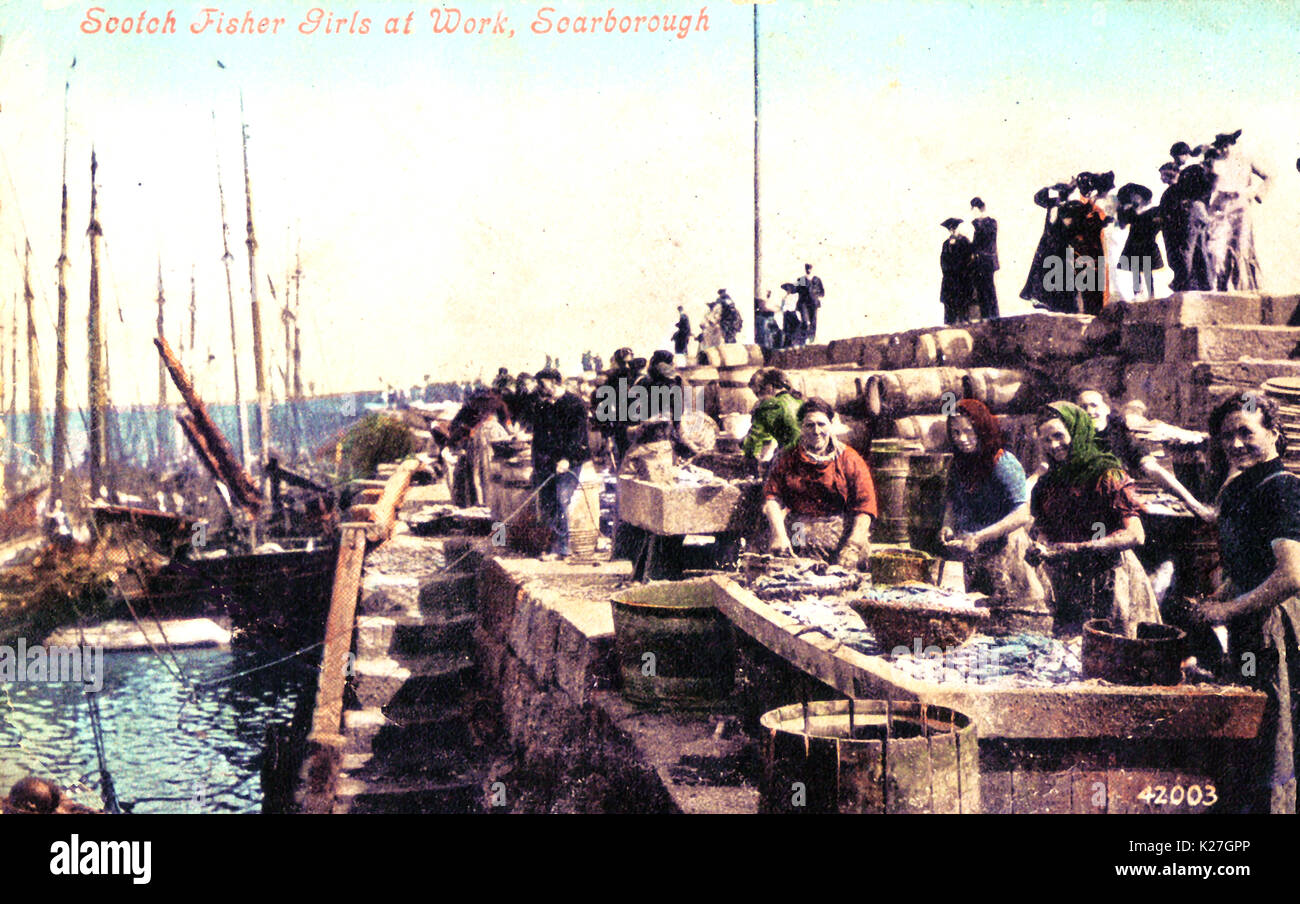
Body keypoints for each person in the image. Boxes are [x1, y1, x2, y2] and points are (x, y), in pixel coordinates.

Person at [1193, 394, 1300, 812]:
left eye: (1246, 433)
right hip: (1249, 626)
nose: (1235, 444)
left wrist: (1228, 610)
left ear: (1274, 433)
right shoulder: (1241, 487)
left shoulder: (1284, 488)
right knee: (1251, 730)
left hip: (1277, 628)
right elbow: (1247, 567)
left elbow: (1291, 574)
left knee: (1277, 735)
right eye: (1226, 436)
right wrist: (1216, 600)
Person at [1028, 401, 1161, 636]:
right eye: (1046, 440)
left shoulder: (1107, 473)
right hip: (1069, 584)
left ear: (1077, 431)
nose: (1054, 446)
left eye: (1059, 436)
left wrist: (1081, 548)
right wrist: (1040, 546)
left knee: (1116, 650)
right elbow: (1044, 528)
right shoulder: (1048, 482)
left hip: (1112, 580)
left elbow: (1136, 535)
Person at [940, 399, 1050, 629]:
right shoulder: (959, 464)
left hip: (1007, 549)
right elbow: (952, 501)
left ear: (983, 429)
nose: (962, 438)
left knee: (1015, 619)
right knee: (982, 620)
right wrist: (947, 526)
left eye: (969, 431)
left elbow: (1021, 514)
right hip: (975, 551)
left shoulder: (1003, 463)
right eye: (956, 432)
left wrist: (980, 536)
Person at [762, 398, 876, 569]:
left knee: (842, 577)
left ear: (831, 424)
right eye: (809, 425)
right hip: (799, 530)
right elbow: (771, 497)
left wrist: (853, 546)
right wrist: (779, 535)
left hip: (841, 536)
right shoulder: (788, 458)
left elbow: (865, 507)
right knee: (797, 574)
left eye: (821, 424)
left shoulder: (850, 459)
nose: (816, 431)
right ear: (801, 427)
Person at [1076, 388, 1214, 521]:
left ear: (1107, 408)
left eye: (1094, 405)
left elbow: (1153, 469)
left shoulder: (1121, 436)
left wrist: (1193, 503)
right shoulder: (1073, 439)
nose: (1089, 411)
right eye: (1083, 407)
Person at [530, 368, 591, 561]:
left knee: (561, 500)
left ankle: (562, 549)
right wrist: (537, 464)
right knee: (547, 503)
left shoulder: (575, 404)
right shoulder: (542, 406)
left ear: (556, 383)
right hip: (547, 463)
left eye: (543, 384)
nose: (540, 388)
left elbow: (578, 436)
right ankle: (551, 546)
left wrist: (566, 458)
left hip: (569, 462)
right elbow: (538, 438)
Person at [1203, 129, 1270, 291]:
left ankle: (1244, 289)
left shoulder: (1246, 160)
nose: (1226, 149)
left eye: (1228, 145)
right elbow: (1207, 186)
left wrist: (1256, 193)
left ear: (1235, 144)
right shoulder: (1215, 162)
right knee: (1215, 249)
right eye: (1222, 146)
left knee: (1241, 249)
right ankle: (1219, 288)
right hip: (1219, 208)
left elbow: (1269, 176)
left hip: (1240, 207)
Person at [1021, 181, 1075, 312]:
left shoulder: (1067, 208)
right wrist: (1051, 187)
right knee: (1043, 273)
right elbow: (1038, 198)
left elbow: (1067, 229)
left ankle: (1056, 304)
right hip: (1048, 245)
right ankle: (1043, 300)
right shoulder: (1053, 204)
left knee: (1056, 276)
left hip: (1058, 247)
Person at [742, 368, 802, 471]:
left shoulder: (770, 405)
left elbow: (755, 438)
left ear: (769, 387)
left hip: (793, 460)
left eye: (758, 393)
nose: (757, 398)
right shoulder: (798, 400)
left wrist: (747, 455)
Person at [1115, 183, 1163, 299]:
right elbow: (1122, 224)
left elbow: (1159, 224)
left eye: (1135, 195)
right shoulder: (1130, 211)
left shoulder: (1152, 210)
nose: (1133, 198)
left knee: (1147, 270)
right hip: (1135, 243)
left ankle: (1151, 295)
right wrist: (1122, 210)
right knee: (1136, 270)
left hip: (1147, 243)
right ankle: (1137, 294)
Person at [969, 198, 1000, 320]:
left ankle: (992, 315)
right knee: (982, 289)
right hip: (981, 262)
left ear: (980, 209)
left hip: (986, 261)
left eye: (974, 209)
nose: (973, 212)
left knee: (988, 288)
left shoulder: (990, 223)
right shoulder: (977, 223)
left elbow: (987, 241)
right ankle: (987, 315)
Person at [939, 218, 974, 325]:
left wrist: (963, 270)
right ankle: (950, 323)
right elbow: (943, 261)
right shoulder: (946, 244)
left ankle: (965, 320)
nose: (952, 231)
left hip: (962, 277)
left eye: (954, 228)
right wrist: (949, 271)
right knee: (949, 303)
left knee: (963, 301)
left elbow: (969, 259)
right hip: (950, 278)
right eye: (950, 229)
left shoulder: (964, 241)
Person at [796, 264, 824, 344]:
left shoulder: (817, 280)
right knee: (805, 321)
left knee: (813, 322)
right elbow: (795, 289)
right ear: (805, 269)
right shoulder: (801, 279)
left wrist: (816, 295)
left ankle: (811, 340)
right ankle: (804, 338)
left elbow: (822, 292)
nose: (808, 270)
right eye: (807, 268)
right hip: (804, 303)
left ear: (812, 269)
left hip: (813, 303)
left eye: (810, 268)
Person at [779, 282, 802, 348]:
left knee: (795, 327)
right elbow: (783, 307)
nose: (788, 290)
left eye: (789, 288)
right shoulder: (784, 297)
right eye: (787, 289)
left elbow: (795, 305)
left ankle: (792, 343)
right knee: (786, 330)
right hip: (786, 314)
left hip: (792, 313)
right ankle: (787, 344)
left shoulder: (795, 296)